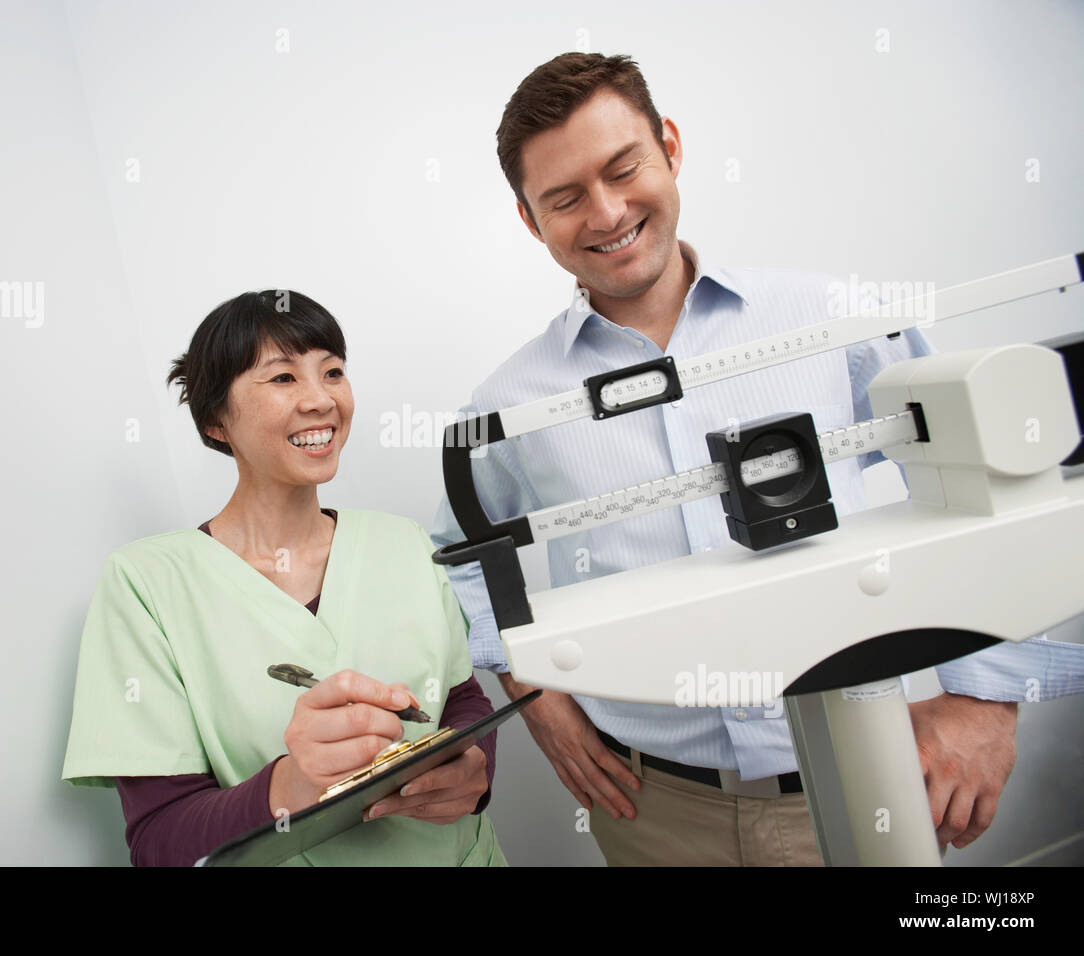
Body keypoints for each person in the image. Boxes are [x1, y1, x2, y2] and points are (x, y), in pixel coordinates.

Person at [431, 52, 1072, 866]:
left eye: (624, 168)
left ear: (669, 144)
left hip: (865, 777)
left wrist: (989, 701)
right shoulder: (508, 406)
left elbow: (986, 479)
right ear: (530, 219)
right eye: (564, 198)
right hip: (653, 808)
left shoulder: (833, 317)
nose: (606, 212)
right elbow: (455, 556)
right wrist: (533, 694)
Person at [62, 290, 506, 866]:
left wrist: (475, 771)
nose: (321, 399)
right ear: (216, 420)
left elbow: (460, 698)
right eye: (283, 379)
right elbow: (158, 844)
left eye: (333, 371)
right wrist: (290, 788)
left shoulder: (403, 542)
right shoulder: (146, 586)